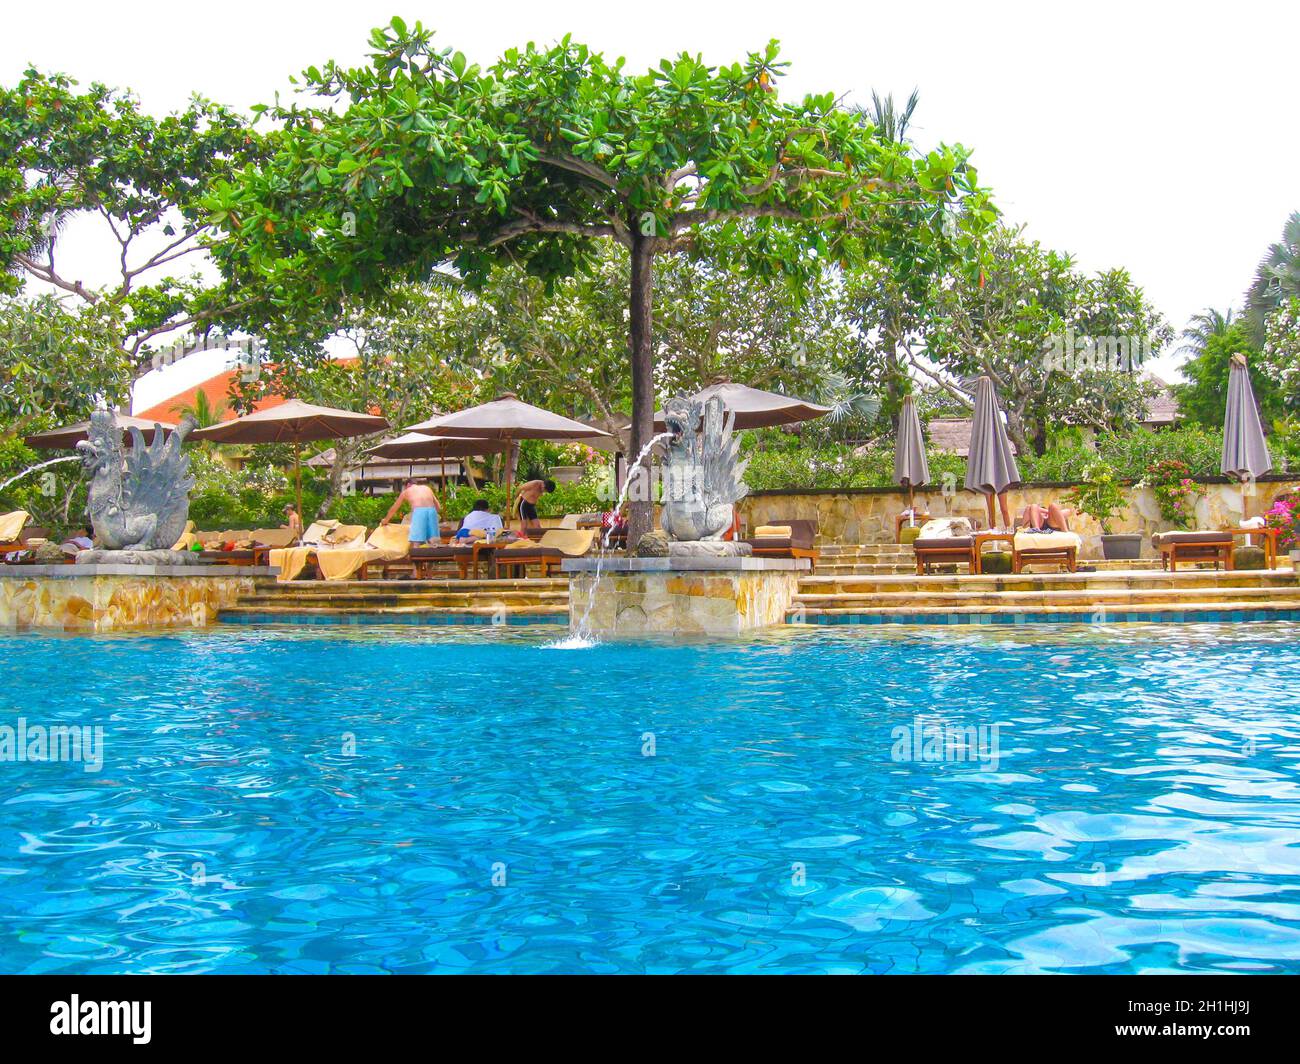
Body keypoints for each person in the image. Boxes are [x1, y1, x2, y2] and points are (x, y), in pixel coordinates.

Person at [381, 478, 441, 543]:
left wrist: (385, 520)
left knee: (416, 543)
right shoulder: (427, 488)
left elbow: (394, 509)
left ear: (408, 484)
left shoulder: (406, 491)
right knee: (434, 542)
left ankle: (416, 549)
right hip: (432, 511)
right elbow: (438, 507)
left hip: (419, 512)